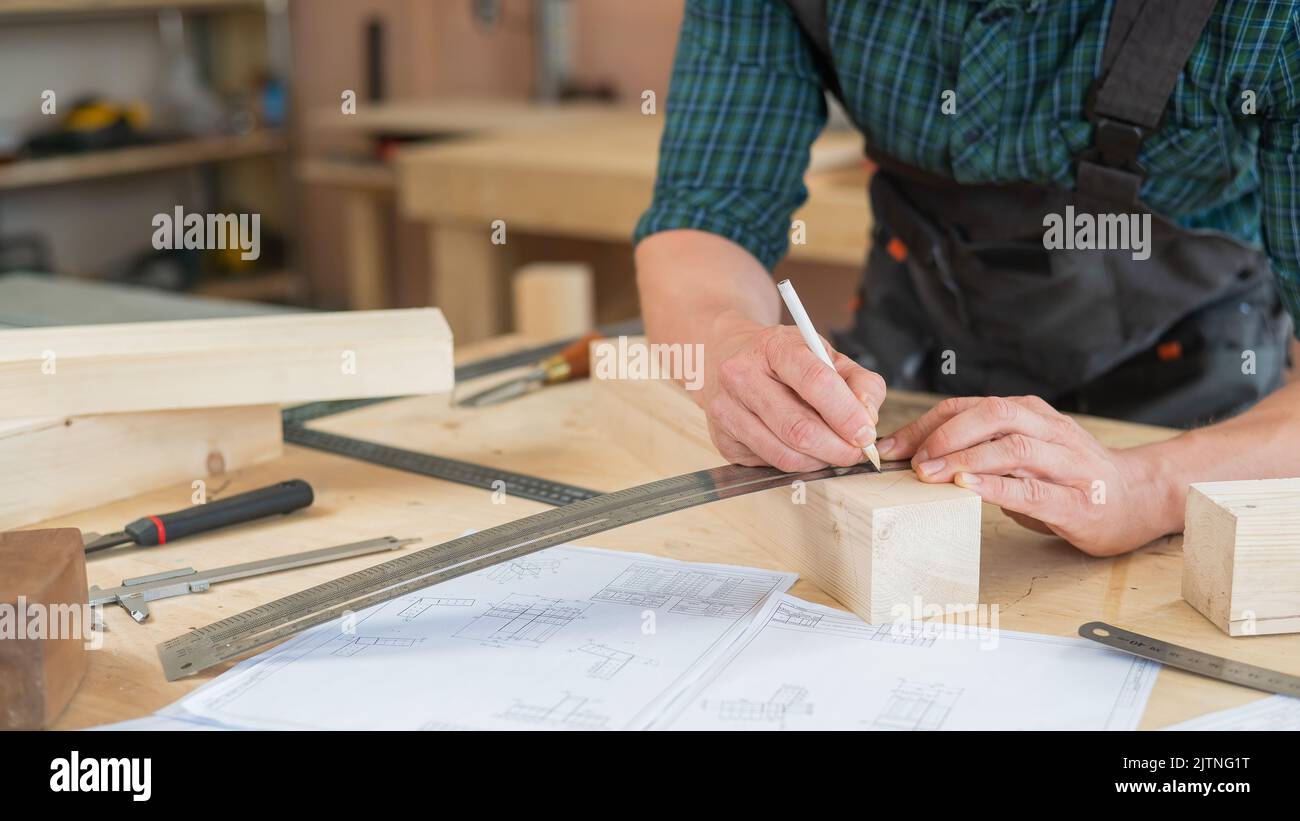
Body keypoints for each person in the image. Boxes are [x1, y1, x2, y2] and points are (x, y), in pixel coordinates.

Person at [633, 0, 1300, 556]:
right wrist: (728, 349)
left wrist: (1145, 489)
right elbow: (704, 216)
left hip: (1197, 424)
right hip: (909, 378)